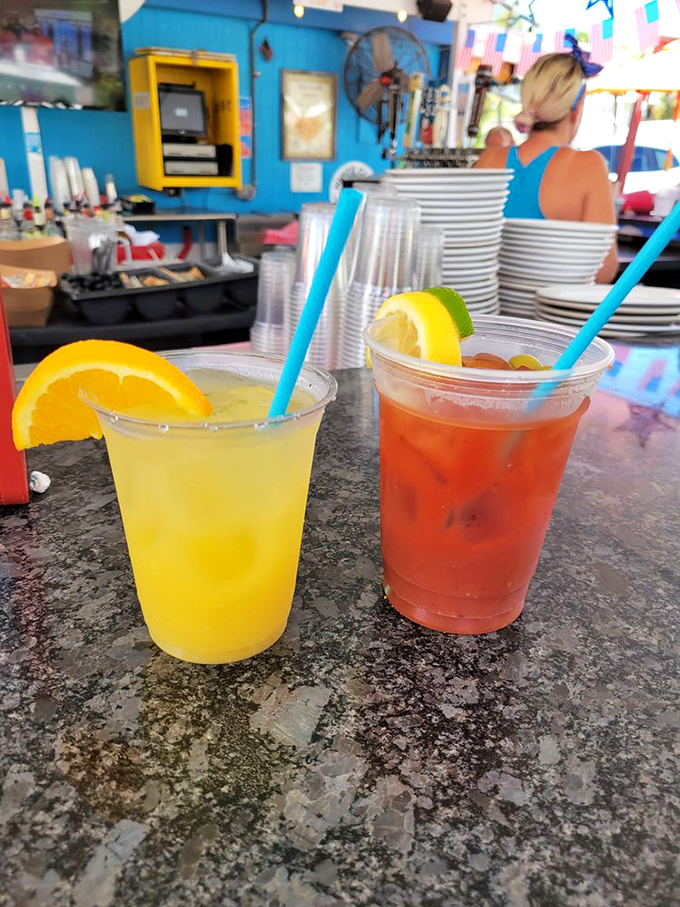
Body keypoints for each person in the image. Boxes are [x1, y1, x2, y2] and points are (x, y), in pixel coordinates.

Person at [476, 37, 618, 283]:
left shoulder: (488, 159)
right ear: (576, 107)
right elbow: (604, 270)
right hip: (550, 319)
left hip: (484, 315)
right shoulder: (589, 166)